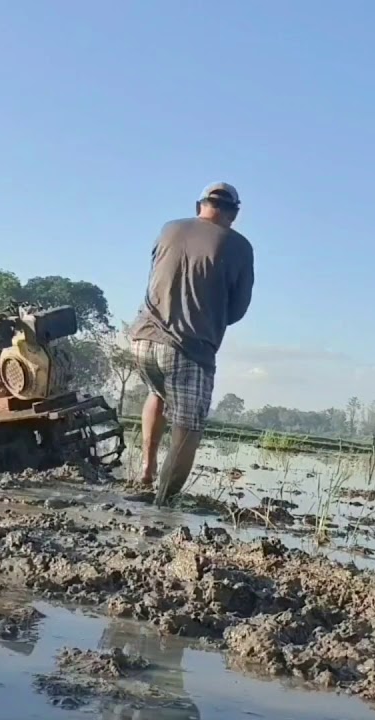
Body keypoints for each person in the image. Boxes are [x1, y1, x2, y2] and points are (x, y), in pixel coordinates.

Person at [128, 182, 254, 506]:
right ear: (234, 214)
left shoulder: (169, 229)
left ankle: (147, 466)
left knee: (157, 393)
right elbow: (238, 310)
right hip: (189, 349)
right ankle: (161, 505)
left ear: (200, 205)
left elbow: (154, 274)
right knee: (188, 427)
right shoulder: (238, 246)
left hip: (142, 338)